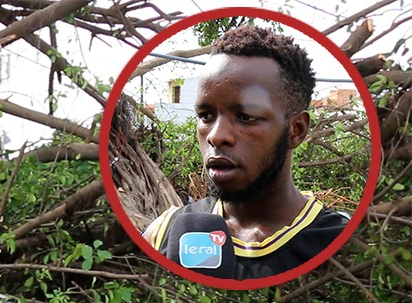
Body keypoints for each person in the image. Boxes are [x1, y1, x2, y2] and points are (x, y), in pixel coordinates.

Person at [144, 25, 349, 281]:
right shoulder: (164, 236)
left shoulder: (341, 244)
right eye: (206, 116)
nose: (216, 136)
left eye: (246, 117)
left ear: (296, 130)